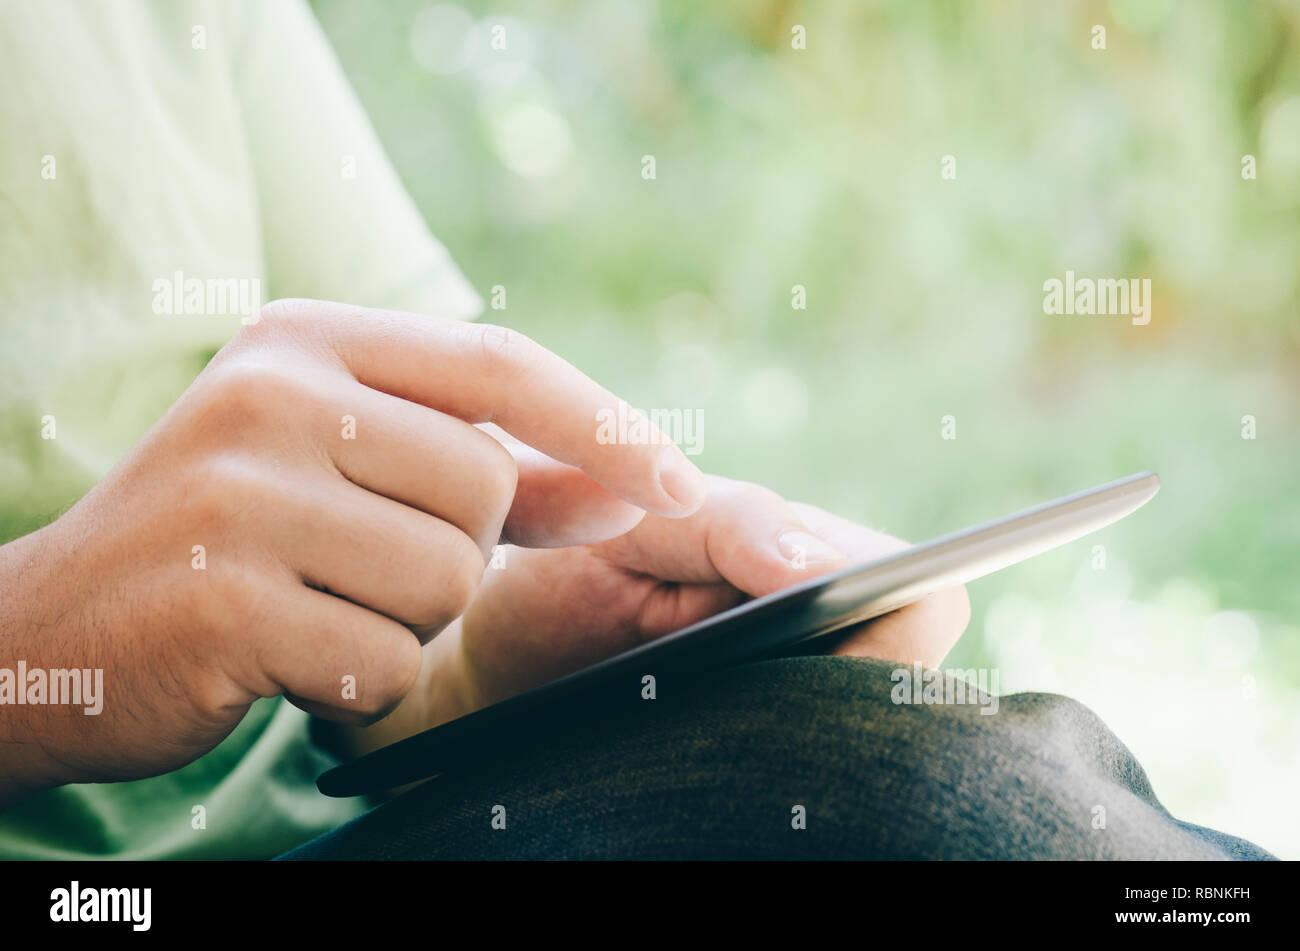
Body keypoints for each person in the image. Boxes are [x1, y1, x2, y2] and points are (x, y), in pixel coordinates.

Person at [0, 0, 1271, 861]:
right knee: (938, 809)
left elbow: (401, 459)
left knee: (926, 768)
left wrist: (476, 653)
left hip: (335, 818)